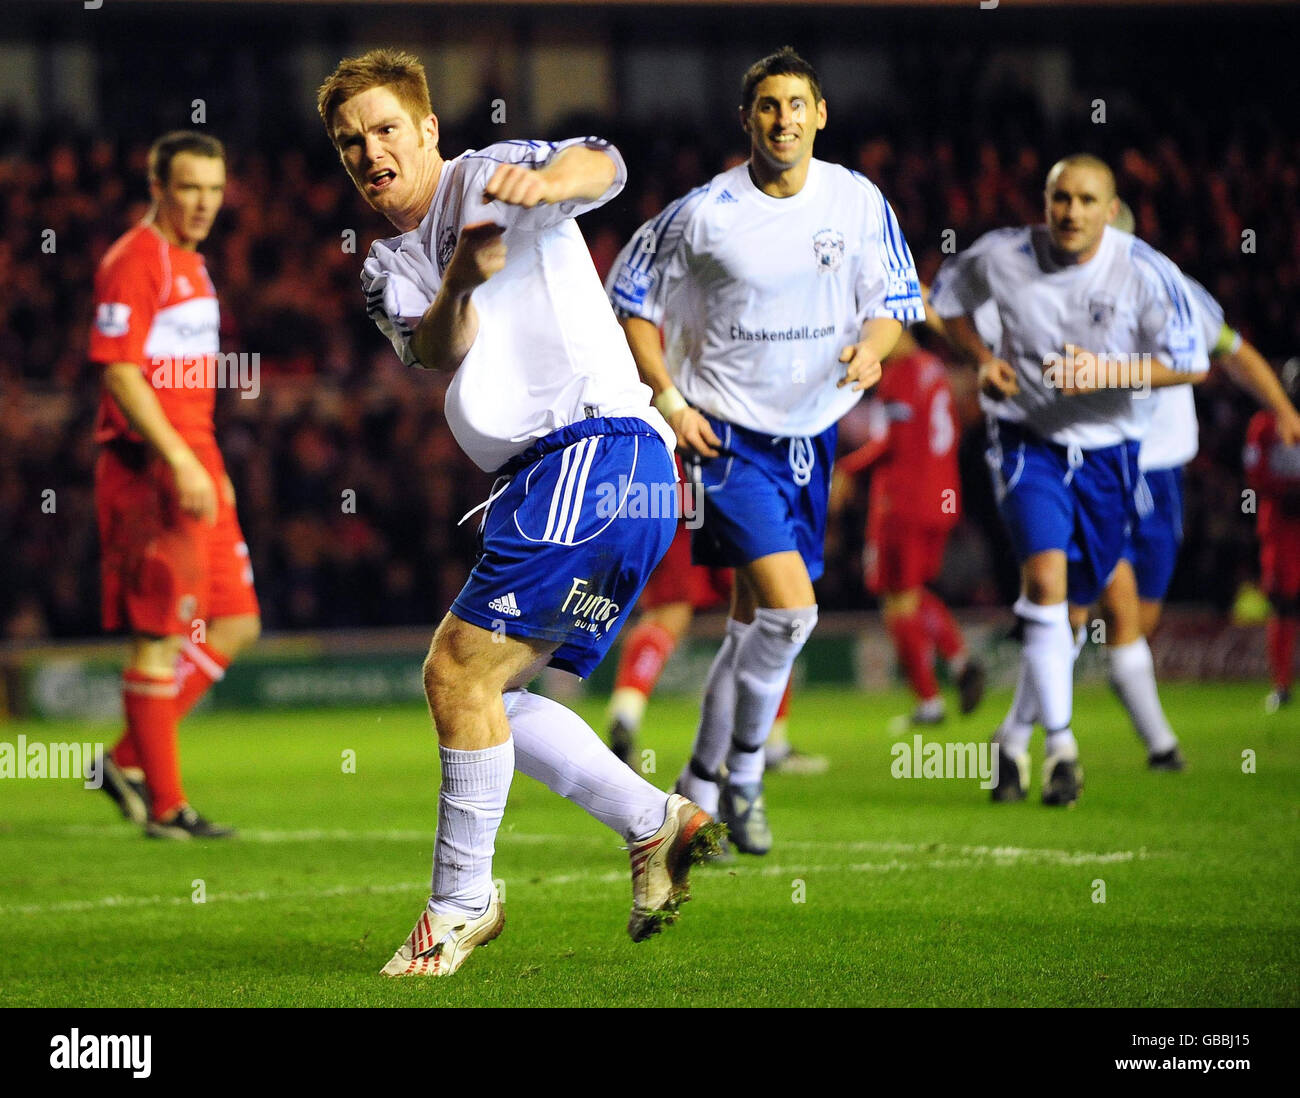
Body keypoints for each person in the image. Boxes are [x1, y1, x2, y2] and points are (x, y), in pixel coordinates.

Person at [317, 49, 724, 978]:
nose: (369, 152)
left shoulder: (487, 171)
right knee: (485, 689)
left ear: (426, 129)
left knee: (456, 672)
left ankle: (462, 903)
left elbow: (605, 166)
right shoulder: (386, 267)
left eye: (385, 129)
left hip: (595, 451)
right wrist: (465, 273)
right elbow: (436, 343)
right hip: (557, 480)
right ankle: (653, 823)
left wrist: (540, 179)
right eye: (350, 144)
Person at [606, 47, 923, 854]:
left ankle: (700, 786)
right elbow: (631, 299)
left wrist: (874, 350)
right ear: (746, 118)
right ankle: (746, 775)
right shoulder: (705, 212)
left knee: (753, 627)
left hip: (810, 437)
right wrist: (670, 400)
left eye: (797, 104)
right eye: (768, 106)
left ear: (821, 114)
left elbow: (893, 300)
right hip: (724, 438)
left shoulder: (855, 201)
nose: (783, 119)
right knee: (792, 610)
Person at [931, 154, 1208, 807]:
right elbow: (944, 301)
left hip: (1111, 456)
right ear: (1045, 201)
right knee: (1046, 582)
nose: (1071, 212)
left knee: (1074, 609)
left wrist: (1107, 373)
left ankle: (1010, 741)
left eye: (1086, 201)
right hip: (1029, 443)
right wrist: (983, 360)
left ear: (1110, 211)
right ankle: (1062, 748)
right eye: (1061, 199)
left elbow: (1191, 362)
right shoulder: (1002, 255)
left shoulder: (1144, 272)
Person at [88, 131, 261, 839]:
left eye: (214, 190)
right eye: (190, 188)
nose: (203, 203)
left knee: (236, 621)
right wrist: (182, 461)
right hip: (154, 471)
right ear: (158, 187)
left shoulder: (192, 265)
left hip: (196, 461)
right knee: (159, 635)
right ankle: (167, 808)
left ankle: (128, 759)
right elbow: (121, 371)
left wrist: (208, 464)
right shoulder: (135, 261)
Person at [834, 317, 985, 726]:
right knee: (911, 594)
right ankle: (959, 663)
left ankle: (929, 702)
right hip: (941, 496)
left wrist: (846, 469)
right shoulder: (934, 368)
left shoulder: (901, 373)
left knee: (896, 601)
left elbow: (890, 442)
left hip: (903, 500)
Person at [604, 521, 825, 776]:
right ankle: (769, 743)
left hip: (675, 502)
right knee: (767, 614)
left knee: (667, 615)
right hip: (734, 500)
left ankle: (626, 710)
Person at [1243, 358, 1300, 713]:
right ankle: (1280, 683)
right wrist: (1285, 492)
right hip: (1280, 527)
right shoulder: (1264, 425)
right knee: (1282, 603)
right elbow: (1254, 474)